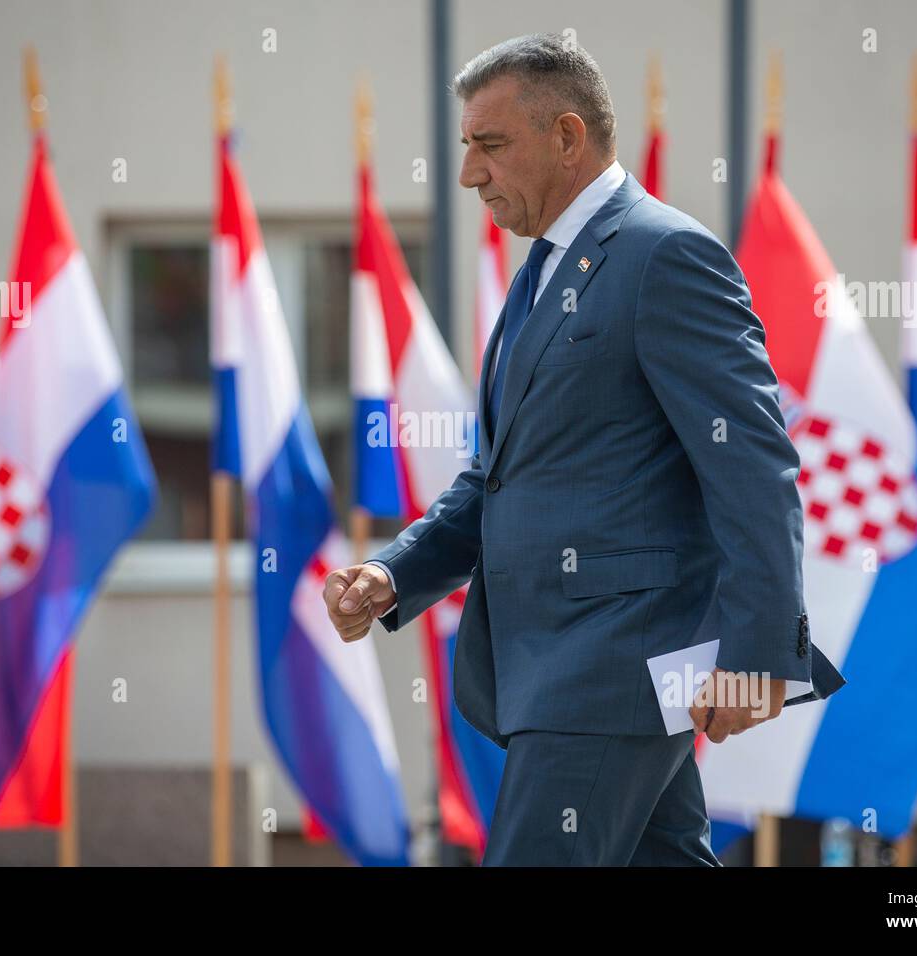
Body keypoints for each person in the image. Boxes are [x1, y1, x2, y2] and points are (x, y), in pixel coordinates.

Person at [322, 33, 844, 866]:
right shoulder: (542, 270)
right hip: (574, 672)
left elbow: (754, 463)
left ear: (567, 137)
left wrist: (756, 658)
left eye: (490, 147)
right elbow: (501, 477)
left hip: (607, 671)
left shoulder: (666, 255)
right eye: (466, 149)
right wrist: (397, 573)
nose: (469, 175)